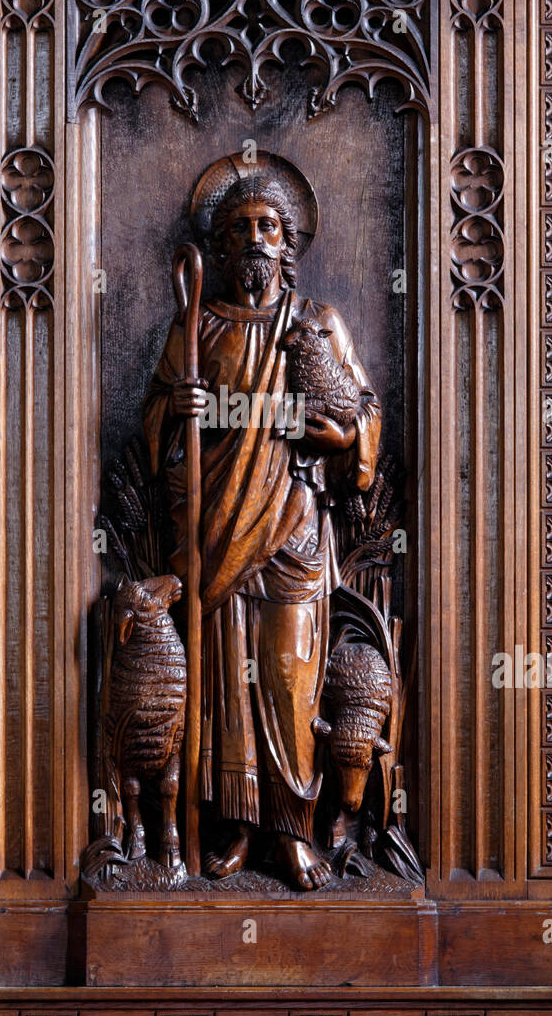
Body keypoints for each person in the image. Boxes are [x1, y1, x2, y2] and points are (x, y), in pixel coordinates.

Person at [144, 172, 380, 889]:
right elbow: (156, 430)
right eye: (241, 227)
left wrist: (347, 442)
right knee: (229, 686)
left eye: (268, 227)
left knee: (288, 679)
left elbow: (364, 412)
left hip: (293, 525)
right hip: (218, 531)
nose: (255, 239)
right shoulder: (200, 326)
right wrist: (177, 410)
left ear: (288, 245)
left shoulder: (317, 321)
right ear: (221, 244)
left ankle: (294, 830)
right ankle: (239, 828)